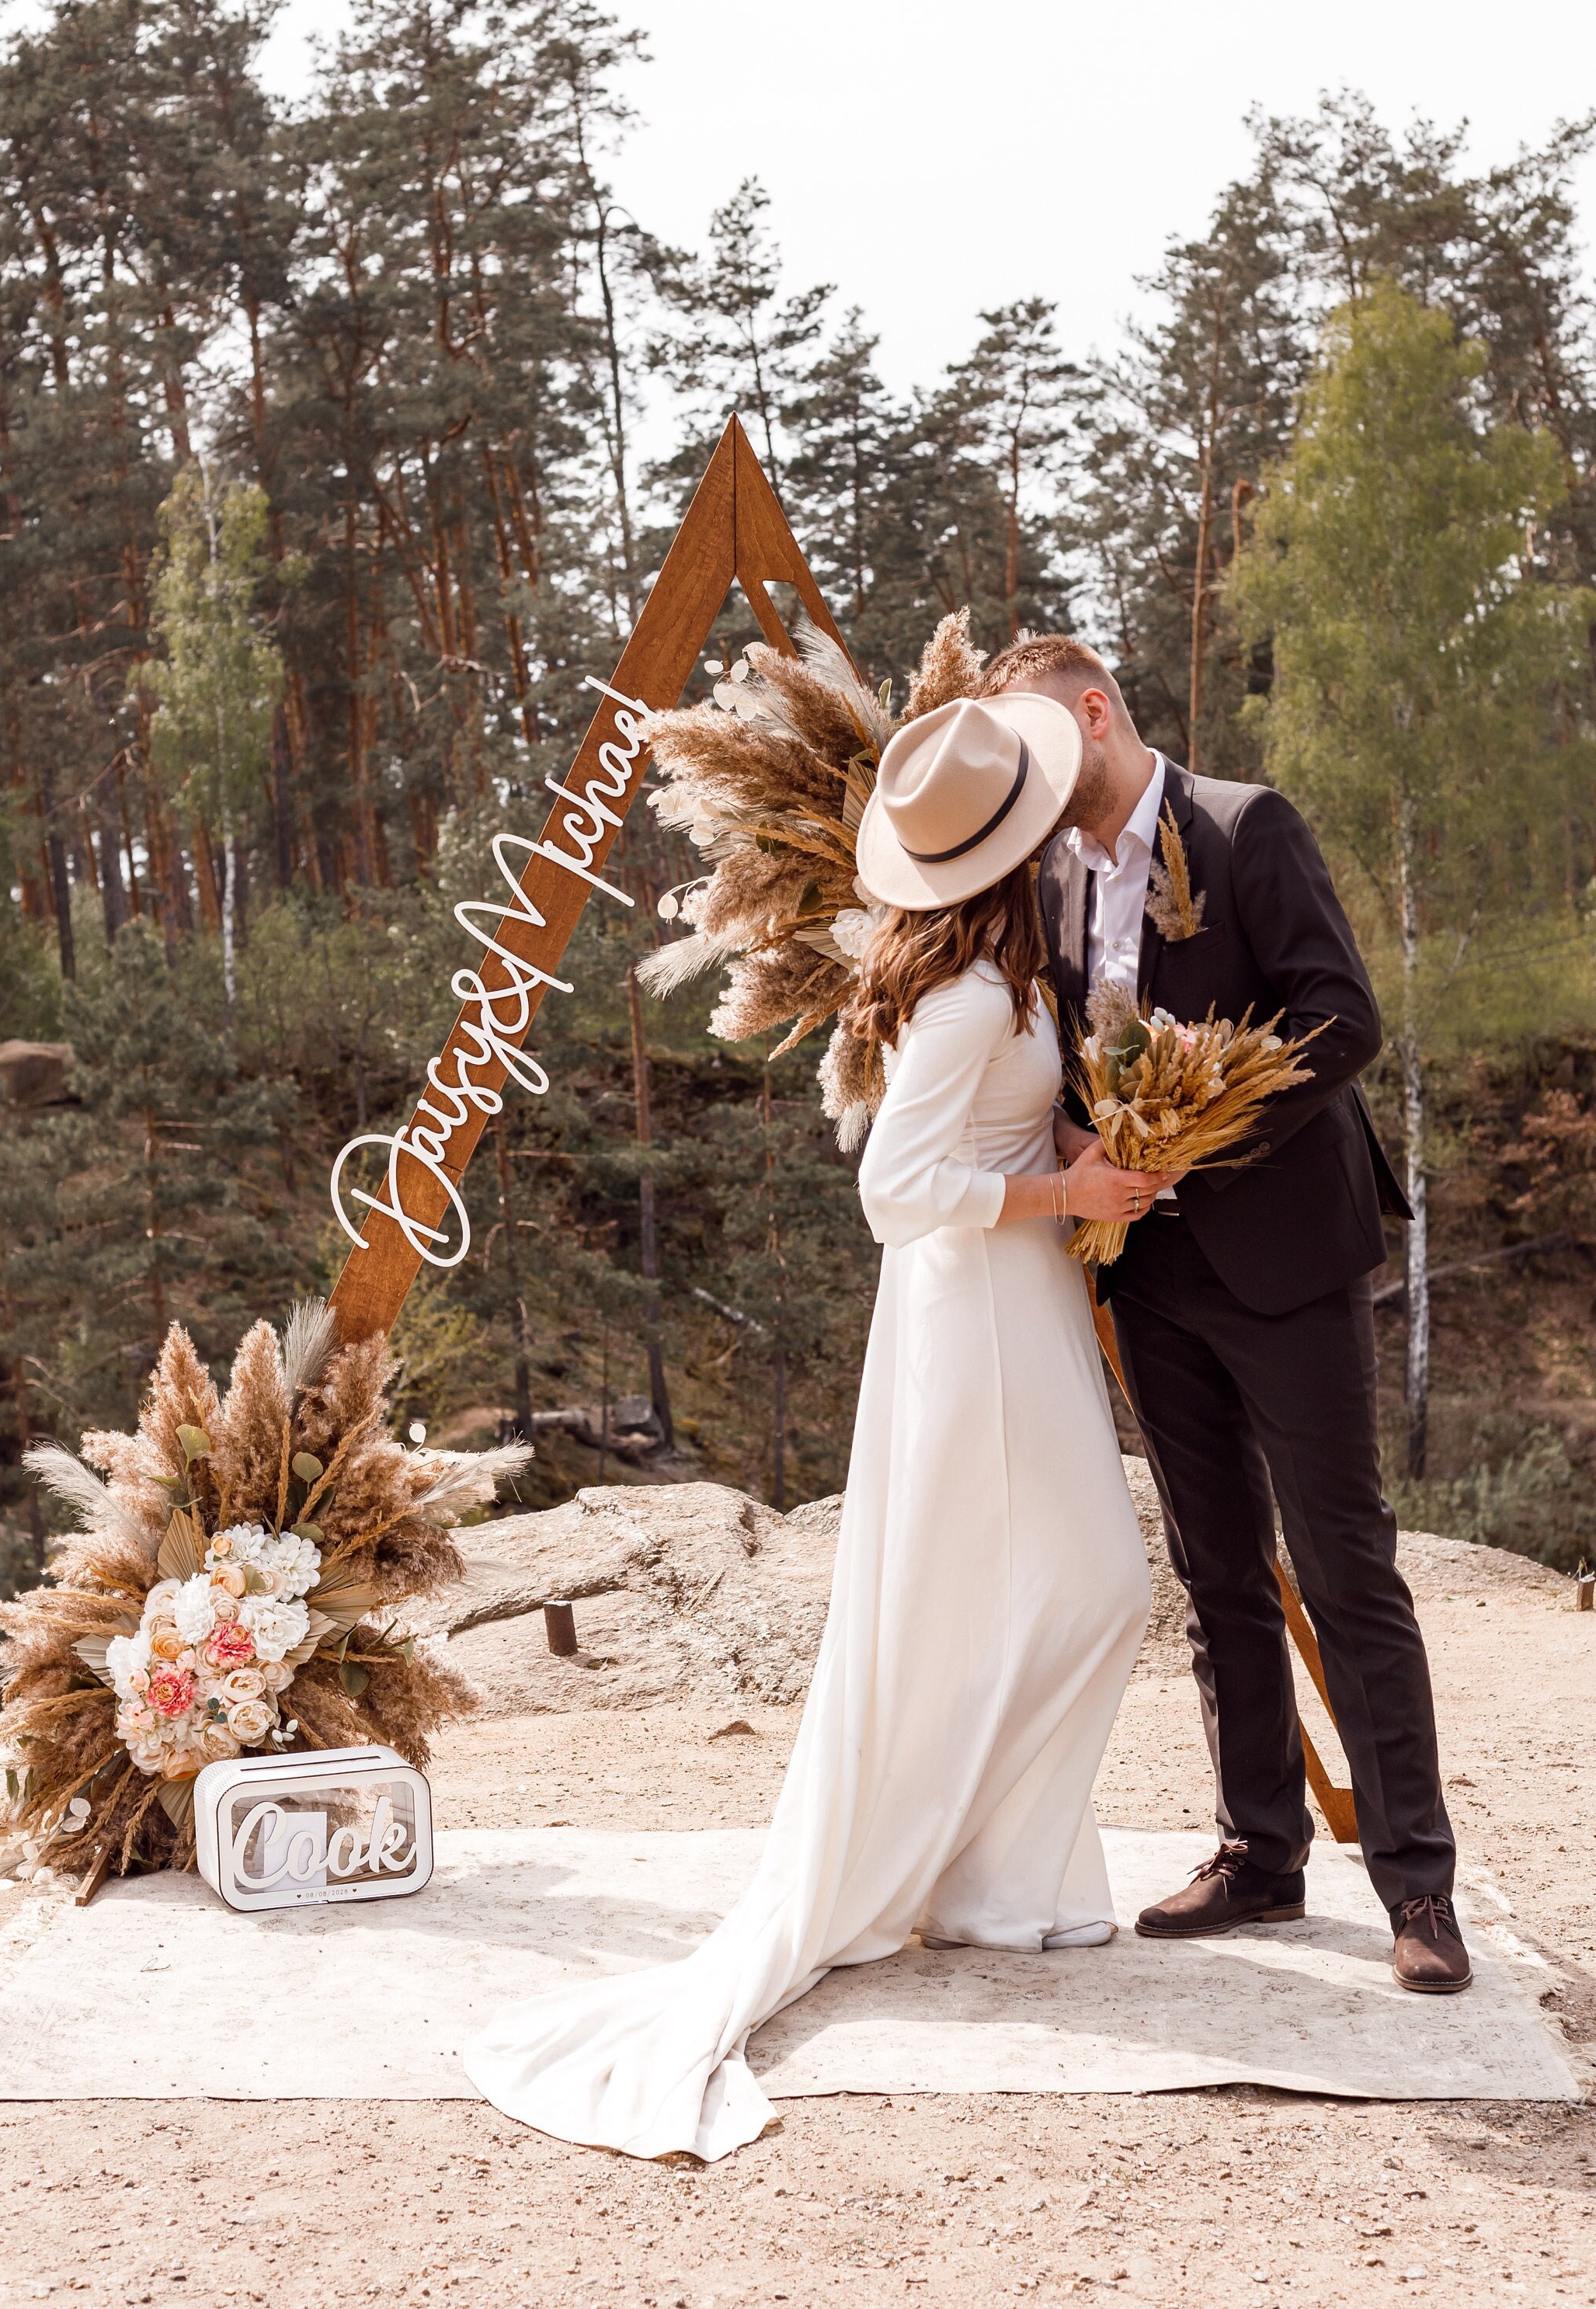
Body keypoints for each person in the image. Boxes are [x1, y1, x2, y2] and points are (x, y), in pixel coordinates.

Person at [464, 689, 1166, 2159]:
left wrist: (1070, 1145)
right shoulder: (972, 994)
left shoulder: (1010, 985)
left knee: (1057, 1589)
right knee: (1093, 1579)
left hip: (1015, 1309)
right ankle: (962, 1875)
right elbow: (893, 1194)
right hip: (970, 1320)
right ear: (1013, 851)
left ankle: (990, 1885)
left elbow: (1000, 1123)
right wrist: (1064, 1197)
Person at [990, 632, 1467, 1998]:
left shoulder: (1247, 826)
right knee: (1218, 1580)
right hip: (1145, 1271)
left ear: (1094, 714)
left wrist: (1203, 1113)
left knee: (1346, 1568)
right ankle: (1258, 1854)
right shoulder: (1042, 876)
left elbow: (1341, 1019)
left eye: (1032, 746)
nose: (1021, 778)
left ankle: (1417, 1884)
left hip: (1286, 1260)